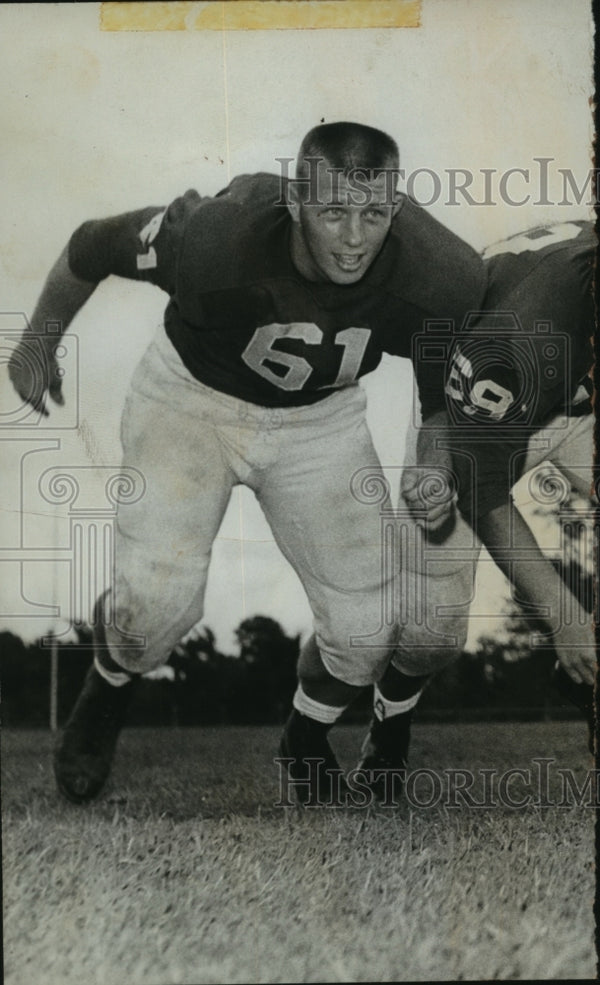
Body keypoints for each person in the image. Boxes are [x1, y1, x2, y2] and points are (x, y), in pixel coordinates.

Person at [8, 122, 486, 806]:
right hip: (191, 400)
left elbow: (439, 397)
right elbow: (92, 243)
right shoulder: (216, 237)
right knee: (156, 609)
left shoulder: (441, 271)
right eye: (332, 212)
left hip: (320, 418)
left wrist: (435, 463)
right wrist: (36, 343)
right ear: (295, 201)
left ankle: (304, 732)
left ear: (397, 206)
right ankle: (107, 690)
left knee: (366, 630)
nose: (354, 238)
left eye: (374, 213)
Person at [356, 219, 597, 798]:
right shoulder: (520, 340)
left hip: (575, 395)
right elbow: (480, 480)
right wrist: (563, 615)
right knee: (434, 628)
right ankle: (391, 722)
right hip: (483, 417)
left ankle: (587, 680)